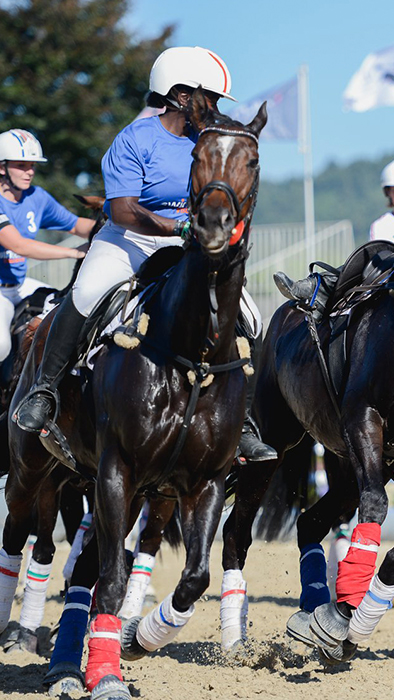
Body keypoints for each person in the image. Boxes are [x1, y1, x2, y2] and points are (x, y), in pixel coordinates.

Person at [13, 46, 276, 461]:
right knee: (85, 294)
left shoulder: (207, 141)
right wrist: (178, 226)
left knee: (251, 318)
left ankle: (242, 422)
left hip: (188, 246)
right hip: (128, 242)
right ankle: (44, 389)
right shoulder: (134, 139)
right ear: (182, 97)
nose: (214, 109)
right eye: (208, 99)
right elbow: (122, 209)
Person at [274, 157, 394, 319]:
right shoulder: (381, 225)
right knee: (371, 256)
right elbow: (381, 265)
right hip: (393, 282)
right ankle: (321, 289)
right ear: (387, 192)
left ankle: (320, 287)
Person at [0, 129, 95, 362]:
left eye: (32, 165)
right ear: (2, 167)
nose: (30, 171)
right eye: (21, 165)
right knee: (1, 346)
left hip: (21, 284)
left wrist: (116, 224)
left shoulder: (37, 197)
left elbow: (76, 225)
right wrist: (74, 252)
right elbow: (20, 246)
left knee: (62, 315)